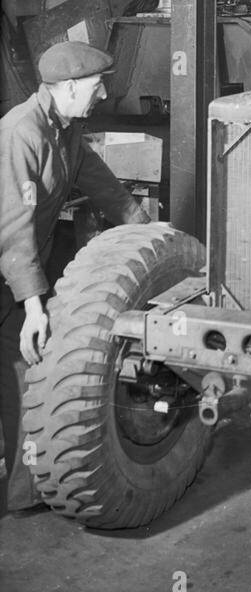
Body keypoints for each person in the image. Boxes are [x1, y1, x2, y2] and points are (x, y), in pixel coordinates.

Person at [0, 41, 150, 515]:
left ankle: (24, 491)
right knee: (25, 352)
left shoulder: (64, 129)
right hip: (14, 263)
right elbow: (14, 228)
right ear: (67, 88)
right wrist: (33, 307)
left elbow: (104, 186)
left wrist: (153, 238)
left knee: (26, 368)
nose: (104, 93)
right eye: (96, 85)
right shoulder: (21, 135)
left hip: (18, 272)